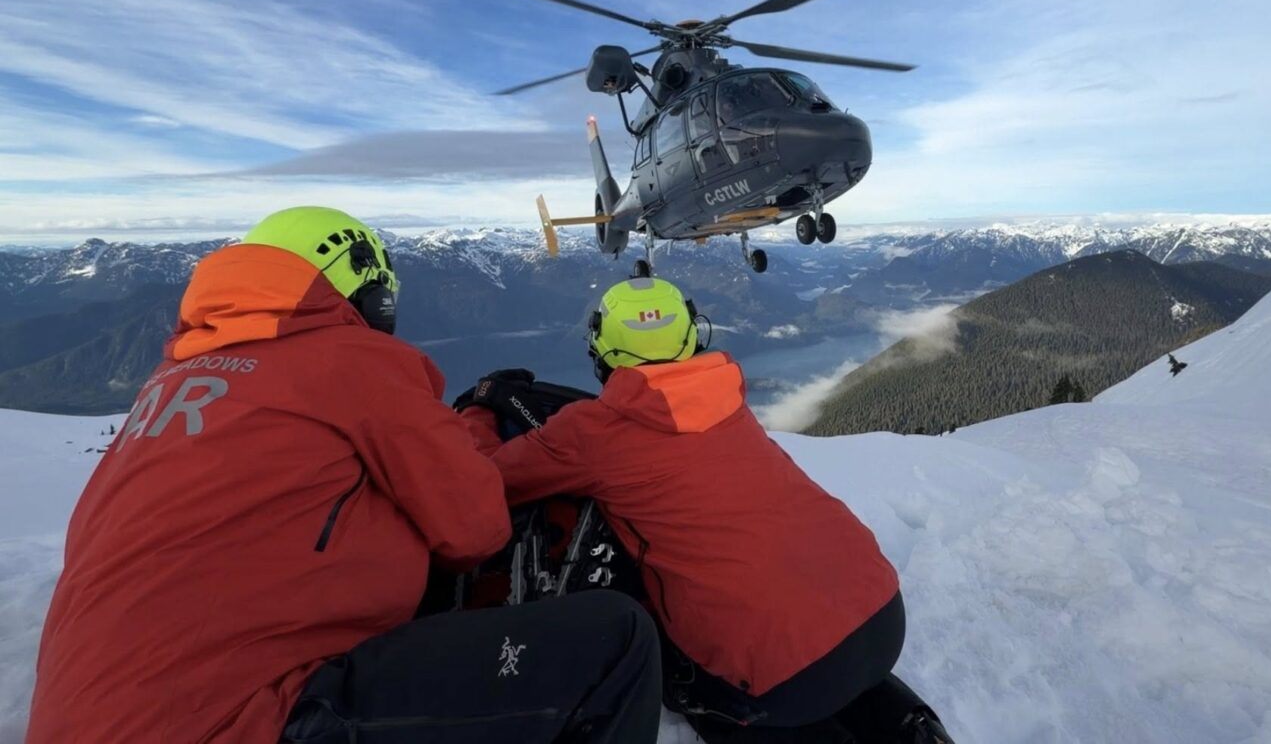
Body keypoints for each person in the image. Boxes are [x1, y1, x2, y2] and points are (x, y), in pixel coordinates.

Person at [27, 207, 661, 744]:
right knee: (618, 640)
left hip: (81, 716)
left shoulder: (170, 382)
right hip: (250, 717)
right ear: (366, 290)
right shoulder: (354, 362)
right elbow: (476, 529)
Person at [459, 277, 952, 743]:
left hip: (784, 677)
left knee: (717, 687)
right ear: (692, 335)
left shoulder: (593, 433)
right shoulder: (725, 398)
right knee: (828, 662)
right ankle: (912, 729)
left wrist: (481, 407)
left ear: (601, 350)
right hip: (882, 614)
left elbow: (485, 480)